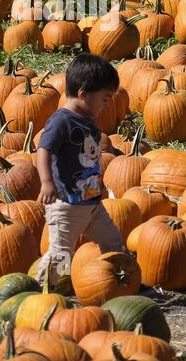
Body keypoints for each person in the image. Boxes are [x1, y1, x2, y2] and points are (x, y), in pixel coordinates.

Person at [34, 53, 124, 288]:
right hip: (65, 205)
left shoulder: (88, 121)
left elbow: (87, 160)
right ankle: (39, 290)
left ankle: (124, 279)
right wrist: (46, 183)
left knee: (113, 241)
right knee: (61, 253)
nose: (108, 105)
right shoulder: (61, 121)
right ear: (83, 94)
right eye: (105, 99)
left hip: (91, 204)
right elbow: (44, 150)